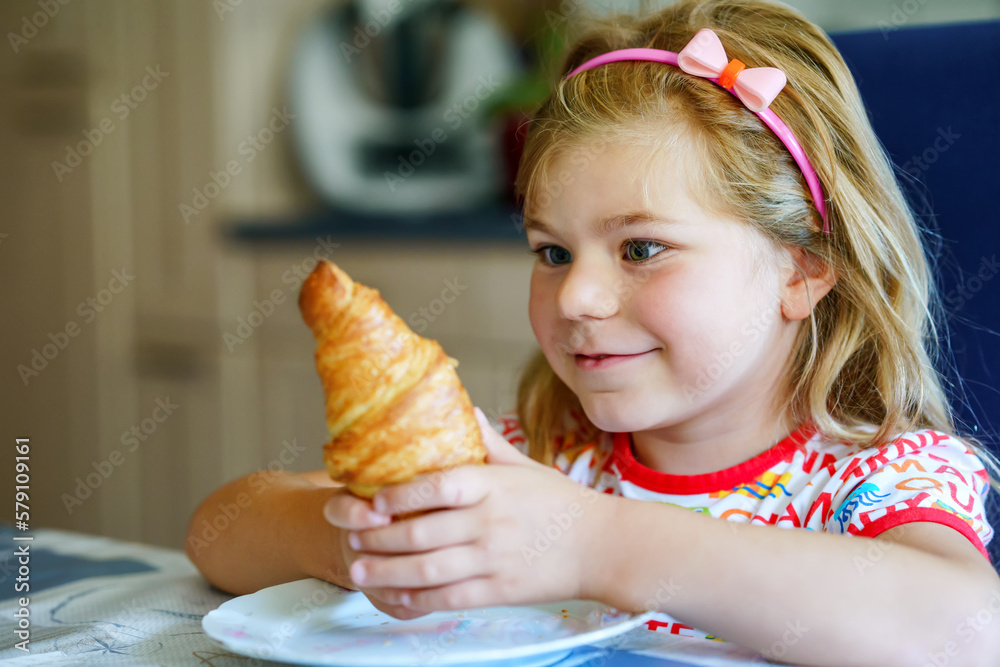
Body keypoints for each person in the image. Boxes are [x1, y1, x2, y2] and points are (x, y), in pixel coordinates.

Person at [186, 1, 1000, 663]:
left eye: (642, 248)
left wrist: (592, 543)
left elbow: (966, 631)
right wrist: (362, 549)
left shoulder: (882, 478)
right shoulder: (547, 458)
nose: (575, 294)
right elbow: (218, 529)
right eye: (551, 250)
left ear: (802, 270)